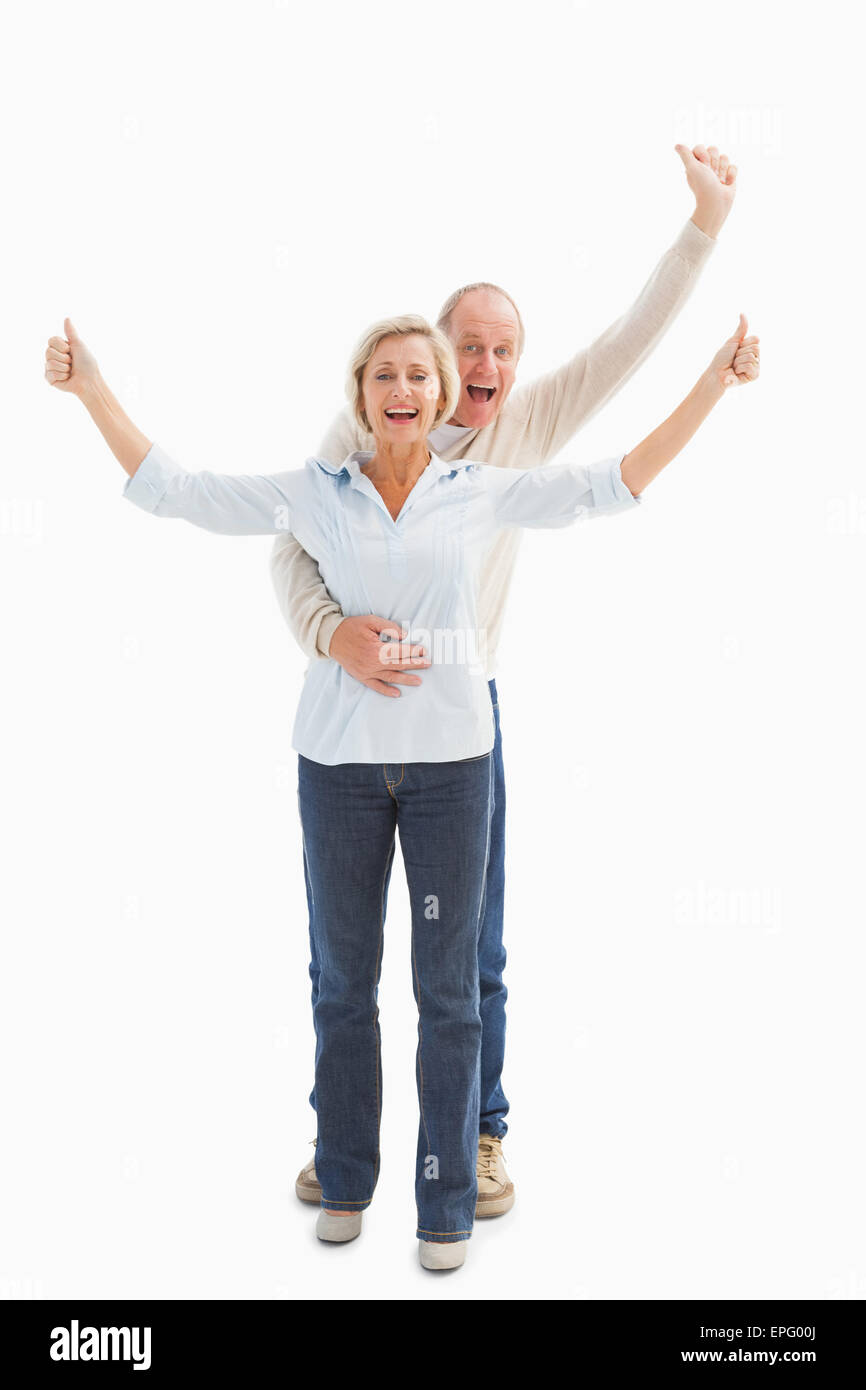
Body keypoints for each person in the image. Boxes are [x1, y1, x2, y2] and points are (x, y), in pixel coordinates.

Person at [43, 305, 759, 1269]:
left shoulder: (477, 490)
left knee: (449, 991)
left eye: (421, 374)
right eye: (385, 375)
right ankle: (343, 1176)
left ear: (442, 395)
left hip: (451, 770)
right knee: (342, 983)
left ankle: (446, 1199)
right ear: (361, 396)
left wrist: (713, 383)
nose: (404, 389)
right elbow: (182, 491)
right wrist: (92, 388)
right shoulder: (317, 491)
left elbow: (612, 482)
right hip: (337, 768)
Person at [271, 144, 742, 1215]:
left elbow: (626, 346)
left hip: (458, 720)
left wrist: (701, 226)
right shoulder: (372, 418)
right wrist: (329, 631)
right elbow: (285, 550)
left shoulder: (519, 427)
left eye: (502, 350)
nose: (482, 366)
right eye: (465, 347)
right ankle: (341, 1146)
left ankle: (478, 1136)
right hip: (349, 722)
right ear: (431, 355)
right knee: (340, 955)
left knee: (468, 946)